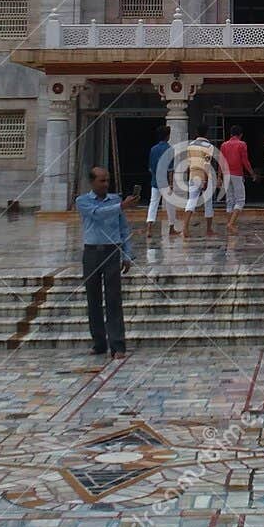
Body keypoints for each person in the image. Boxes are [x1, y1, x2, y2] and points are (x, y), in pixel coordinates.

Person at [72, 165, 136, 357]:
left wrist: (127, 254)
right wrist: (121, 206)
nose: (105, 184)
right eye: (101, 181)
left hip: (111, 251)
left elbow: (123, 228)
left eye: (107, 180)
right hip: (92, 252)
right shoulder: (82, 201)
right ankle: (99, 342)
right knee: (93, 299)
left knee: (113, 299)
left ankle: (118, 344)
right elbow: (98, 214)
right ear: (92, 182)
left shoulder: (115, 200)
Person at [181, 131, 217, 238]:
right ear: (207, 134)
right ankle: (209, 229)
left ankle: (185, 226)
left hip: (193, 175)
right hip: (204, 176)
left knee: (191, 201)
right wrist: (205, 180)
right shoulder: (209, 146)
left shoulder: (190, 146)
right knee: (208, 203)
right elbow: (207, 164)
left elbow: (188, 163)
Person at [219, 124, 252, 236]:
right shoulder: (242, 144)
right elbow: (245, 161)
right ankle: (231, 224)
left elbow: (221, 162)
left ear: (231, 134)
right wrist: (252, 173)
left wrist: (219, 177)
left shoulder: (224, 145)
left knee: (230, 200)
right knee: (240, 200)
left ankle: (230, 223)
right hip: (237, 174)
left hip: (226, 175)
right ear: (240, 135)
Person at [145, 125, 177, 237]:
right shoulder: (170, 149)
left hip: (155, 180)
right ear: (167, 136)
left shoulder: (153, 149)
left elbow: (150, 168)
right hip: (165, 182)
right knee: (170, 205)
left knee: (153, 203)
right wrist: (171, 183)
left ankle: (149, 228)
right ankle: (171, 228)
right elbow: (170, 169)